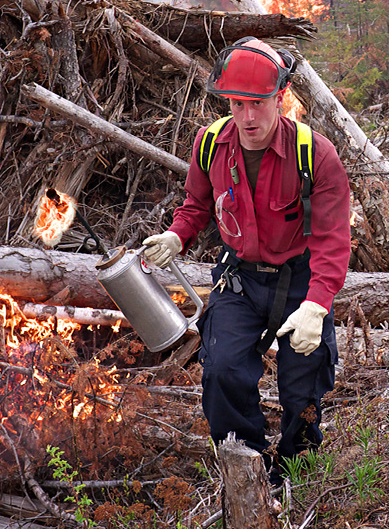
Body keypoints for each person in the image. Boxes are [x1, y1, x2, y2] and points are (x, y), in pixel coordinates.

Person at [142, 37, 351, 481]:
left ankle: (297, 469)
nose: (248, 116)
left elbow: (333, 241)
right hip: (240, 280)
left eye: (258, 103)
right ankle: (247, 468)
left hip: (299, 282)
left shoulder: (316, 156)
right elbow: (198, 205)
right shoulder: (210, 145)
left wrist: (317, 304)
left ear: (280, 98)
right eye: (237, 104)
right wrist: (177, 236)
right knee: (222, 372)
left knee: (303, 386)